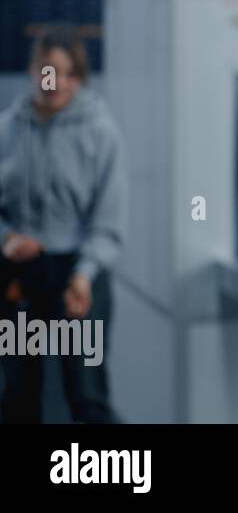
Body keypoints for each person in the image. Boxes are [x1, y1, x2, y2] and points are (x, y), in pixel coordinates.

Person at [0, 26, 126, 423]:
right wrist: (5, 240)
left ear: (79, 78)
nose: (56, 83)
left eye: (68, 74)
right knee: (19, 394)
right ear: (34, 70)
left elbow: (108, 221)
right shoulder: (6, 129)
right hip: (20, 272)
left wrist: (85, 275)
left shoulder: (100, 132)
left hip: (77, 274)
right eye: (48, 70)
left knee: (85, 395)